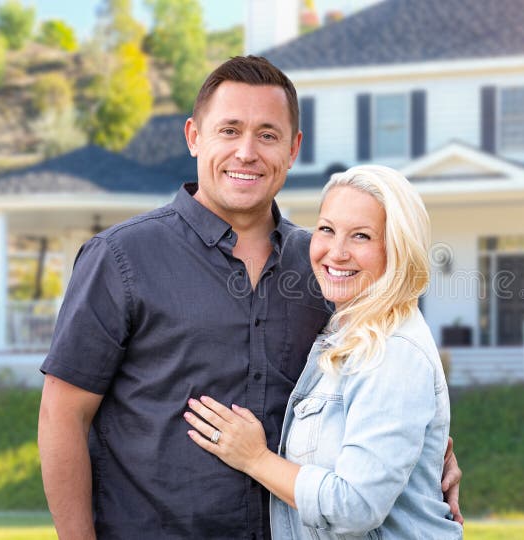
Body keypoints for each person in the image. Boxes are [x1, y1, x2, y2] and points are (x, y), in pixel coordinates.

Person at [38, 55, 461, 540]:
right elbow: (62, 414)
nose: (246, 152)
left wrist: (430, 455)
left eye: (267, 134)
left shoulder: (326, 265)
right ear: (194, 136)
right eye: (229, 130)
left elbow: (380, 389)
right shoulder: (121, 258)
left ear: (293, 148)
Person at [183, 165, 464, 539]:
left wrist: (254, 458)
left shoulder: (392, 351)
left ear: (397, 248)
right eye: (327, 229)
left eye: (361, 236)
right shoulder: (344, 331)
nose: (337, 252)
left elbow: (355, 506)